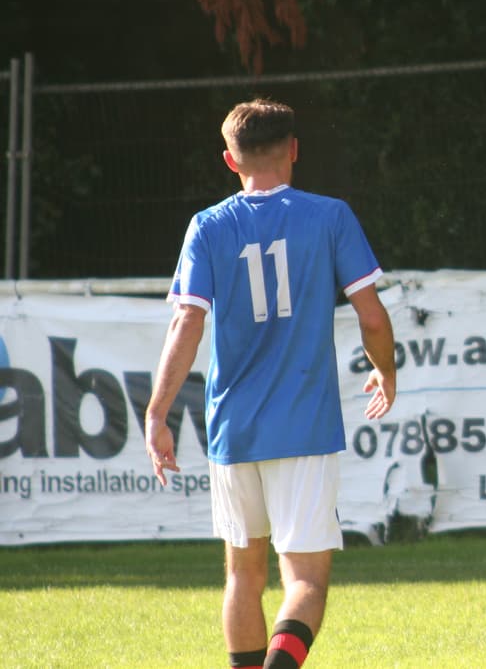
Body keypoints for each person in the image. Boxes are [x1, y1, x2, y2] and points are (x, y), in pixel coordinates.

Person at [144, 98, 397, 669]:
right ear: (294, 150)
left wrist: (157, 412)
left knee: (242, 573)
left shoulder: (208, 225)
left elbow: (188, 321)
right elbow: (373, 317)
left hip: (233, 427)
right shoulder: (330, 216)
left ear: (229, 161)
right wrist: (386, 369)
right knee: (305, 581)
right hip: (304, 427)